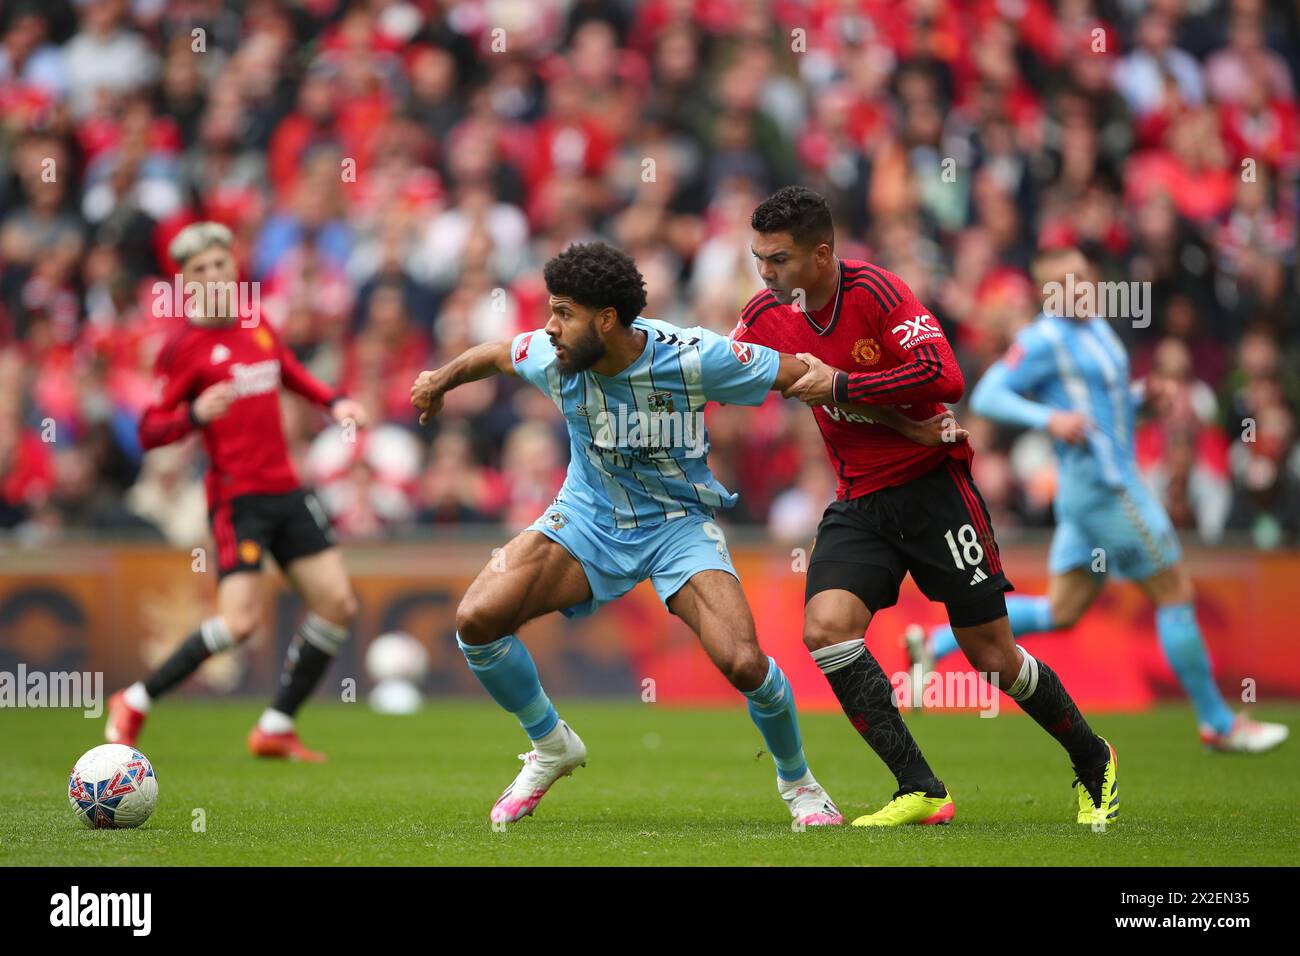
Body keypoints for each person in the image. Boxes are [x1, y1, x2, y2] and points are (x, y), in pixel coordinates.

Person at [410, 240, 953, 826]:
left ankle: (799, 784)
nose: (550, 327)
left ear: (607, 320)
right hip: (588, 521)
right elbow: (494, 354)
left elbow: (807, 379)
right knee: (476, 622)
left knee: (745, 663)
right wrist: (437, 382)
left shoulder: (695, 356)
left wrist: (908, 426)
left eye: (564, 313)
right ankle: (552, 744)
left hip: (678, 528)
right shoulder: (550, 355)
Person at [734, 186, 1118, 827]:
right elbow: (718, 367)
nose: (765, 274)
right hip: (859, 498)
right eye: (758, 259)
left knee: (991, 656)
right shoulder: (761, 314)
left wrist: (842, 384)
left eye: (777, 260)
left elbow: (946, 376)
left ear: (822, 254)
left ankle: (1093, 757)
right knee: (826, 629)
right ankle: (922, 788)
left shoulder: (877, 292)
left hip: (936, 492)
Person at [910, 245, 1287, 755]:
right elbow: (990, 394)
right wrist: (1050, 421)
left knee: (1062, 611)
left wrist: (1140, 401)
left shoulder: (1100, 330)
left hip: (1088, 495)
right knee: (1174, 589)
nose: (1078, 289)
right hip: (1107, 490)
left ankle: (936, 642)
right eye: (1064, 283)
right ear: (1049, 294)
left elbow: (1102, 408)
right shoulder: (1043, 339)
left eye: (1083, 277)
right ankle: (1218, 722)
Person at [105, 222, 369, 762]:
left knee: (338, 604)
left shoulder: (256, 324)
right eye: (200, 270)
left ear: (234, 269)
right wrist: (192, 415)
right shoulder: (183, 349)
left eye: (221, 264)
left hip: (287, 491)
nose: (214, 274)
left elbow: (289, 371)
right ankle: (134, 699)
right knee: (240, 622)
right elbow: (149, 429)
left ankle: (275, 724)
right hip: (238, 499)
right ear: (186, 283)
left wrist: (335, 400)